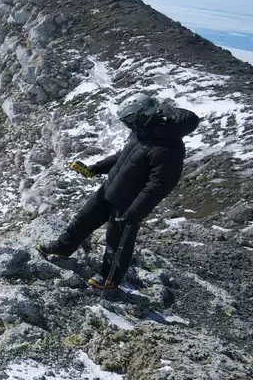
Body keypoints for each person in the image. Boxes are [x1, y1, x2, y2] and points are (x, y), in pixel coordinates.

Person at [37, 94, 200, 291]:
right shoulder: (143, 131)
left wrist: (135, 212)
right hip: (110, 188)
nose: (129, 126)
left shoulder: (168, 147)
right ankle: (62, 248)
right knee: (83, 219)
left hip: (127, 202)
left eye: (130, 121)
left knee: (117, 241)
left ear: (143, 116)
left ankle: (110, 279)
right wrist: (96, 168)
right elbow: (124, 156)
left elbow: (160, 185)